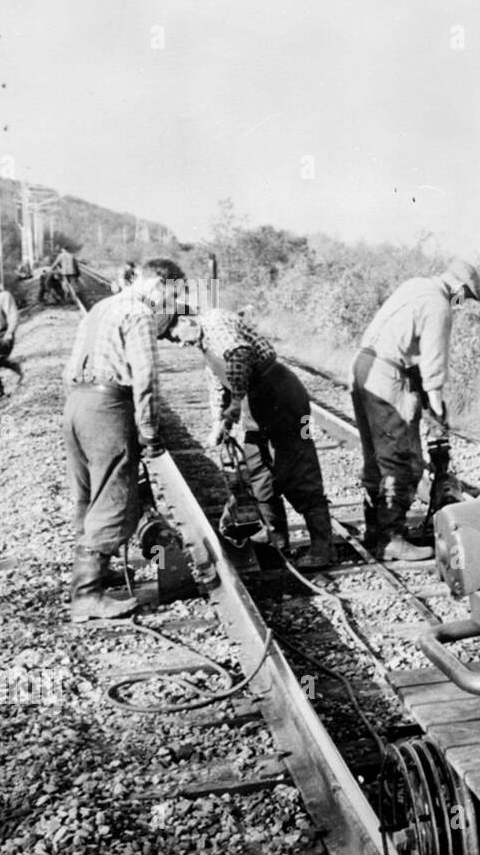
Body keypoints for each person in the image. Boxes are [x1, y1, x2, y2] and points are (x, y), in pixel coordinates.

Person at [169, 305, 337, 569]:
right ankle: (277, 543)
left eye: (175, 336)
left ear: (187, 320)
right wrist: (219, 422)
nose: (178, 345)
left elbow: (240, 354)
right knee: (258, 472)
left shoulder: (215, 322)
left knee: (298, 471)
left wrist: (235, 401)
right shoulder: (204, 343)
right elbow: (216, 382)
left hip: (281, 396)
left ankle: (322, 548)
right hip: (255, 403)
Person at [62, 258, 178, 621]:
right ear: (158, 284)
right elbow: (146, 378)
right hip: (107, 406)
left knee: (87, 492)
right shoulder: (139, 314)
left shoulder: (102, 307)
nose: (165, 303)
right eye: (168, 294)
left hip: (77, 403)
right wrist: (149, 431)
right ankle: (87, 595)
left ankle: (93, 573)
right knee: (114, 493)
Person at [351, 258, 480, 561]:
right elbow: (434, 359)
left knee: (375, 458)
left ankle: (375, 532)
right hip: (387, 375)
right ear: (459, 288)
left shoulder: (415, 286)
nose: (463, 304)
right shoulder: (440, 304)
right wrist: (436, 406)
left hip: (362, 367)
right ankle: (390, 537)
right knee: (404, 460)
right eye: (466, 297)